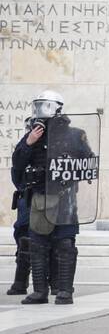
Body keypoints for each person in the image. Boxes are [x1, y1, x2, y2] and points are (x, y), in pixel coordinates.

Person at [13, 91, 95, 305]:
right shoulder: (33, 135)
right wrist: (29, 143)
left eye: (46, 105)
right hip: (39, 198)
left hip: (65, 198)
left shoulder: (75, 135)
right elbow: (17, 165)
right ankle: (40, 291)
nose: (42, 110)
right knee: (37, 244)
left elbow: (89, 163)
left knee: (65, 244)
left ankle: (64, 291)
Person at [7, 117, 35, 296]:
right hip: (29, 195)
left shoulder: (65, 138)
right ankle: (20, 282)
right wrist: (29, 143)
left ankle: (56, 284)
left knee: (58, 241)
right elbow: (17, 168)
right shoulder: (26, 140)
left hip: (56, 198)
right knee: (24, 236)